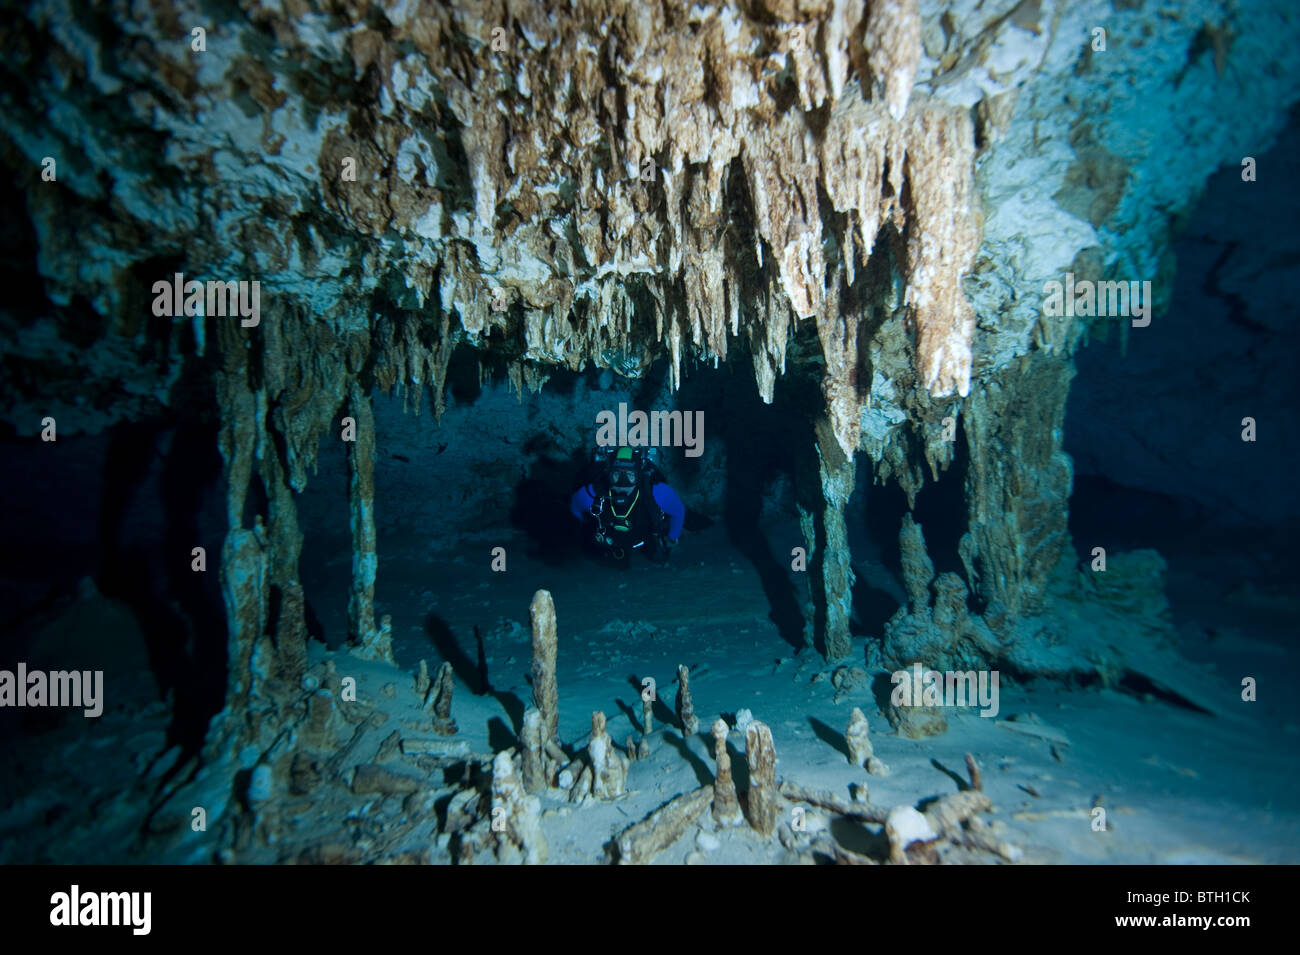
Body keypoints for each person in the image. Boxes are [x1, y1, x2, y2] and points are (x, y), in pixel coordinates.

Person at [570, 446, 684, 562]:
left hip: (645, 537)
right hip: (608, 541)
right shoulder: (591, 495)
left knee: (658, 556)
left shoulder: (657, 492)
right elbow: (575, 509)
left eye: (630, 476)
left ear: (638, 476)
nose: (622, 483)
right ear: (608, 475)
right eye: (616, 475)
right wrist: (588, 524)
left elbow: (678, 511)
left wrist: (672, 537)